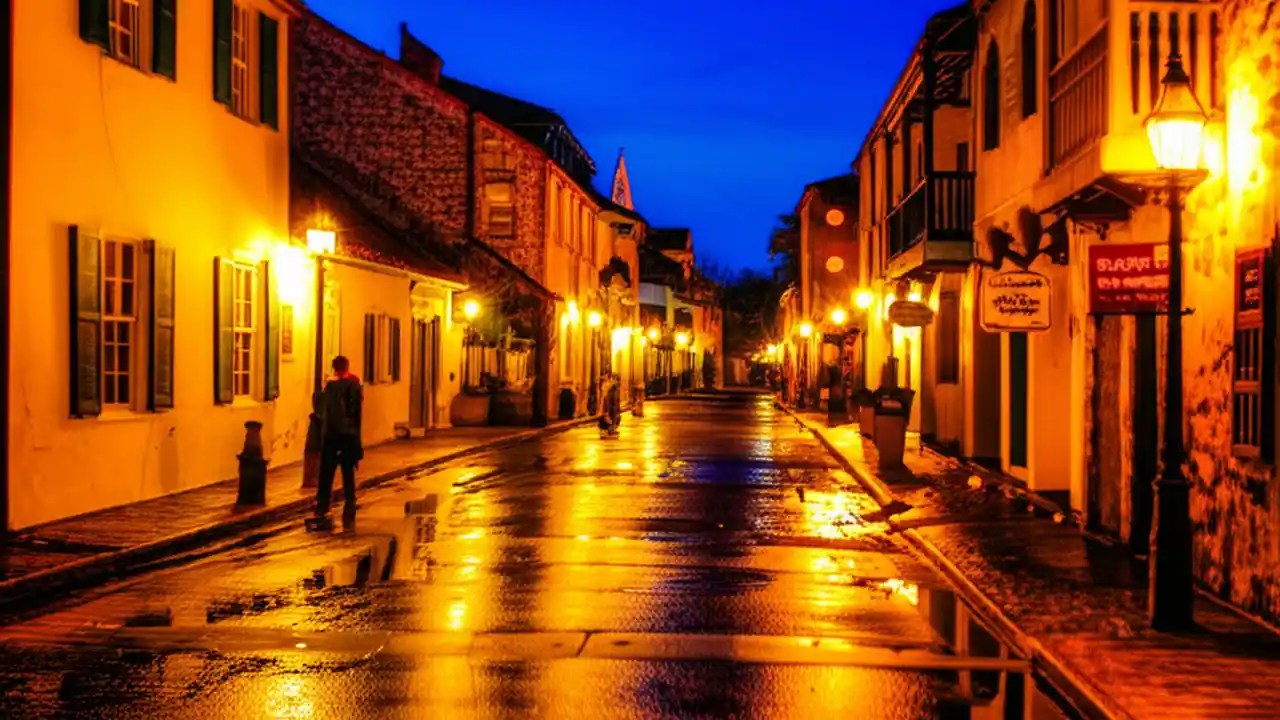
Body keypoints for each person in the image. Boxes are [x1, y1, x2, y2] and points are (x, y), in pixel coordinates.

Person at [314, 355, 363, 526]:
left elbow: (323, 411)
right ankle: (350, 501)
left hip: (331, 435)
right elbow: (357, 414)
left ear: (334, 368)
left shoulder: (329, 387)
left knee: (327, 471)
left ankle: (323, 503)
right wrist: (357, 439)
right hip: (348, 434)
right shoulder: (354, 386)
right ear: (346, 367)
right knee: (347, 470)